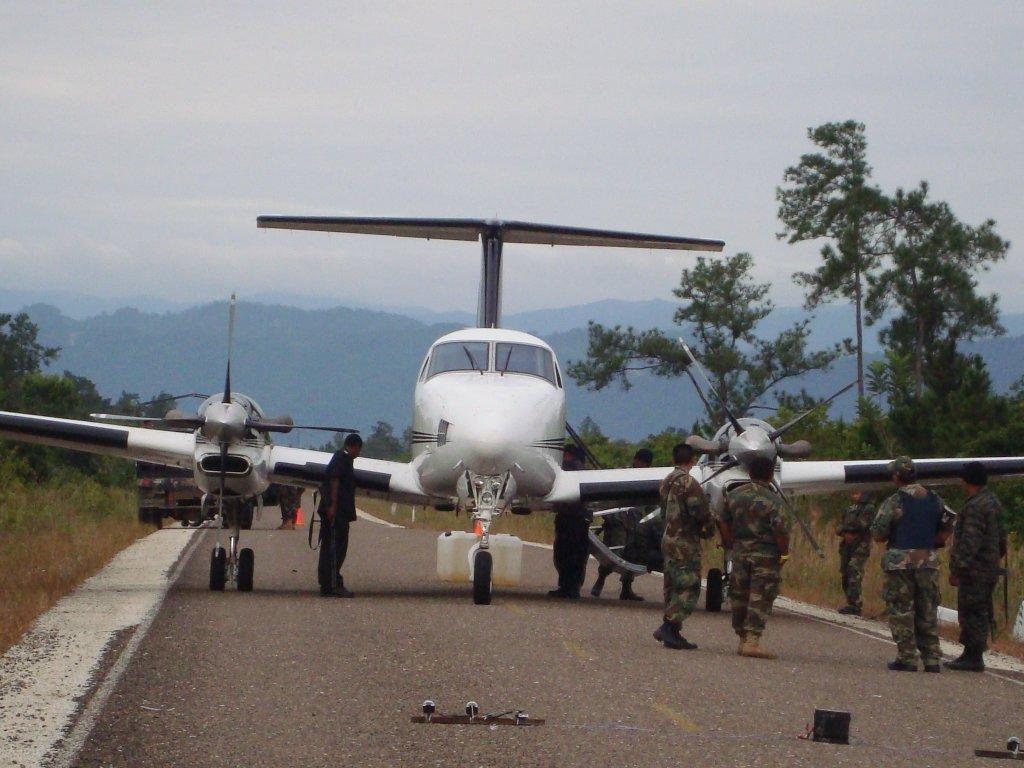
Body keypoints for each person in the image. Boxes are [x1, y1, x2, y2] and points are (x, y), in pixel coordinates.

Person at [870, 456, 953, 672]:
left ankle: (907, 657)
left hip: (901, 563)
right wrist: (933, 541)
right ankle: (932, 658)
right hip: (928, 561)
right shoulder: (934, 499)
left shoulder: (894, 502)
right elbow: (948, 523)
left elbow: (878, 533)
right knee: (927, 608)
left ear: (897, 476)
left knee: (901, 610)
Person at [718, 456, 789, 659]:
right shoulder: (773, 499)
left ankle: (742, 638)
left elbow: (721, 519)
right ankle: (752, 640)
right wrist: (784, 552)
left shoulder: (733, 495)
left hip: (740, 551)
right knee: (760, 596)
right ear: (770, 475)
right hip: (765, 555)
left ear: (748, 473)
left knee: (739, 594)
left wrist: (729, 541)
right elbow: (781, 530)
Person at [946, 461, 1008, 672]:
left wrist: (957, 569)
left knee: (971, 610)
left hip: (975, 569)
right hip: (989, 567)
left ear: (967, 480)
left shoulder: (974, 506)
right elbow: (1002, 538)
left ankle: (974, 655)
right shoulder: (992, 502)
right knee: (981, 609)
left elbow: (970, 541)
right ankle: (970, 652)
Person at [652, 443, 710, 650]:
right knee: (689, 585)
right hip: (684, 541)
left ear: (673, 459)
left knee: (672, 584)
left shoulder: (665, 482)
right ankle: (670, 625)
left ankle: (673, 631)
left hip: (668, 538)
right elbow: (700, 512)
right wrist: (710, 528)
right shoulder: (689, 483)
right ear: (692, 461)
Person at [590, 448, 653, 601]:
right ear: (636, 460)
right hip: (617, 522)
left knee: (632, 556)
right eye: (641, 462)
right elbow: (609, 498)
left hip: (634, 525)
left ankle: (626, 588)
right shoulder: (622, 474)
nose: (643, 466)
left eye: (646, 464)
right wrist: (610, 518)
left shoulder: (648, 478)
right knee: (612, 555)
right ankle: (600, 581)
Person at [317, 433, 363, 597]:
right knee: (335, 548)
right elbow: (334, 481)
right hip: (336, 513)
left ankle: (327, 584)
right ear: (353, 446)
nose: (359, 453)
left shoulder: (343, 459)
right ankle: (333, 584)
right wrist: (332, 506)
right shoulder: (341, 459)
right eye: (358, 450)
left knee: (332, 547)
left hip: (338, 512)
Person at [549, 444, 590, 599]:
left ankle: (569, 588)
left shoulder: (568, 468)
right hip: (577, 518)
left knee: (566, 554)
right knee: (575, 555)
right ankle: (571, 587)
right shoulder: (581, 469)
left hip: (570, 519)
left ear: (567, 455)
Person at [836, 490, 876, 615]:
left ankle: (856, 604)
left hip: (860, 545)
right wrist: (844, 532)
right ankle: (850, 602)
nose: (854, 495)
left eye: (857, 493)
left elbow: (862, 525)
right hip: (847, 546)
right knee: (845, 573)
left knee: (854, 571)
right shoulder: (849, 509)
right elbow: (839, 527)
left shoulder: (869, 508)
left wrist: (849, 530)